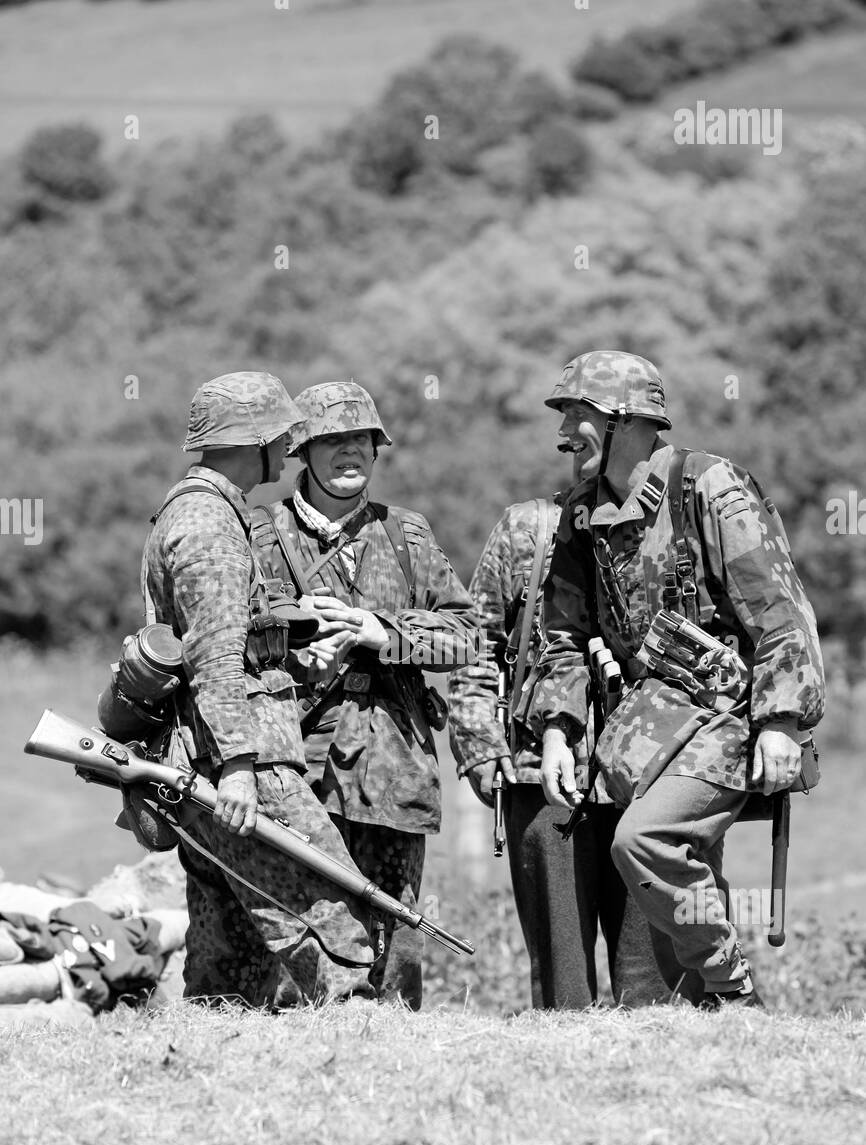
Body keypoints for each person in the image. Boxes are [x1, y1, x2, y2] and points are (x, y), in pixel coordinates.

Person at [533, 350, 825, 1007]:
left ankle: (734, 991)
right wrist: (557, 727)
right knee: (677, 876)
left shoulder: (707, 485)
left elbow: (780, 611)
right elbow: (562, 636)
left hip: (727, 719)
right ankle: (705, 1017)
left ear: (627, 422)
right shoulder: (582, 514)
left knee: (647, 841)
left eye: (580, 414)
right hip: (647, 726)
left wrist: (779, 723)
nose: (564, 431)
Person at [143, 371, 376, 1006]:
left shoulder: (192, 509)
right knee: (333, 905)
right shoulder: (211, 524)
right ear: (258, 442)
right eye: (282, 436)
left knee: (229, 944)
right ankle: (363, 1037)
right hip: (246, 761)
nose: (289, 447)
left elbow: (218, 635)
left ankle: (218, 1047)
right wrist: (241, 769)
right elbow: (216, 656)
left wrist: (288, 636)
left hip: (202, 759)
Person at [251, 381, 480, 1010]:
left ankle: (391, 1058)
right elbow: (224, 636)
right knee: (296, 920)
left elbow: (466, 638)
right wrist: (294, 643)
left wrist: (384, 633)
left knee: (393, 933)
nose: (349, 453)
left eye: (361, 440)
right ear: (302, 450)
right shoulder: (260, 534)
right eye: (332, 441)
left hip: (392, 763)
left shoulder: (406, 534)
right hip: (295, 758)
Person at [447, 449, 703, 1009]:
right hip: (542, 776)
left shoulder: (670, 534)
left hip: (647, 775)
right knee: (563, 983)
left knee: (654, 980)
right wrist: (479, 744)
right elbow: (475, 644)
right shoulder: (527, 528)